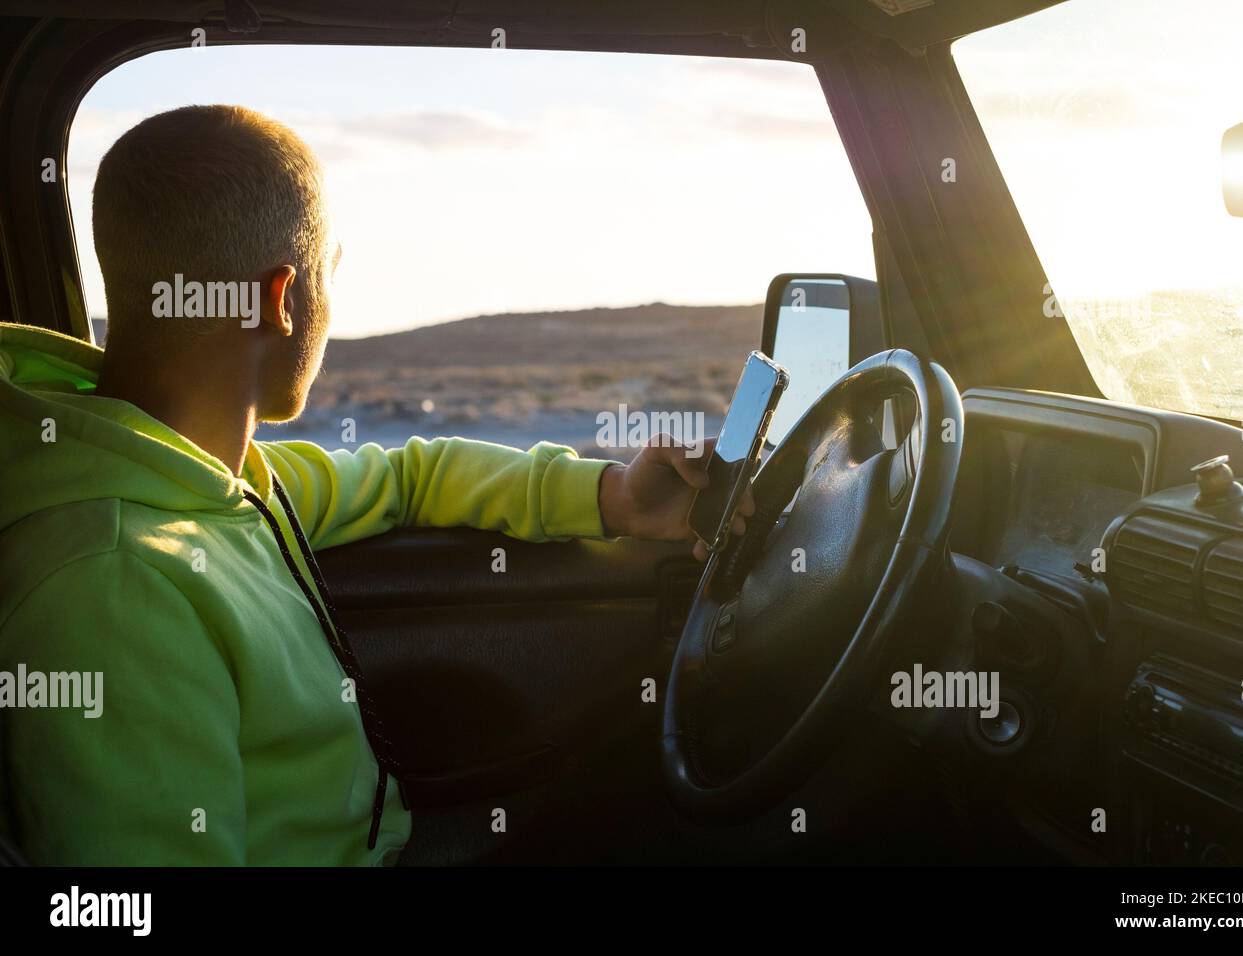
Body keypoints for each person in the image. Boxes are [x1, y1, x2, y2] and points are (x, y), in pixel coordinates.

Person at [0, 105, 750, 865]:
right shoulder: (116, 581)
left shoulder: (217, 478)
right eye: (330, 273)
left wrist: (615, 497)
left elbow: (406, 476)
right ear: (281, 299)